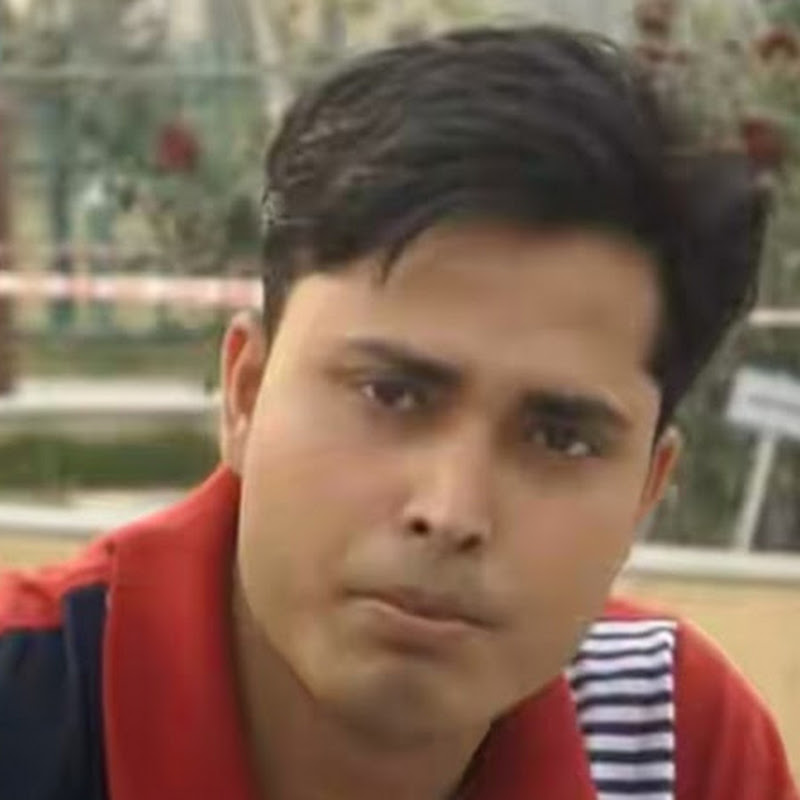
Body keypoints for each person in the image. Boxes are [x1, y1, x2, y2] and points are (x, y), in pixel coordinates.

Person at [0, 26, 797, 800]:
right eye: (391, 394)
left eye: (560, 438)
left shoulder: (668, 750)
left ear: (646, 492)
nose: (450, 513)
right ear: (245, 393)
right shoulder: (24, 703)